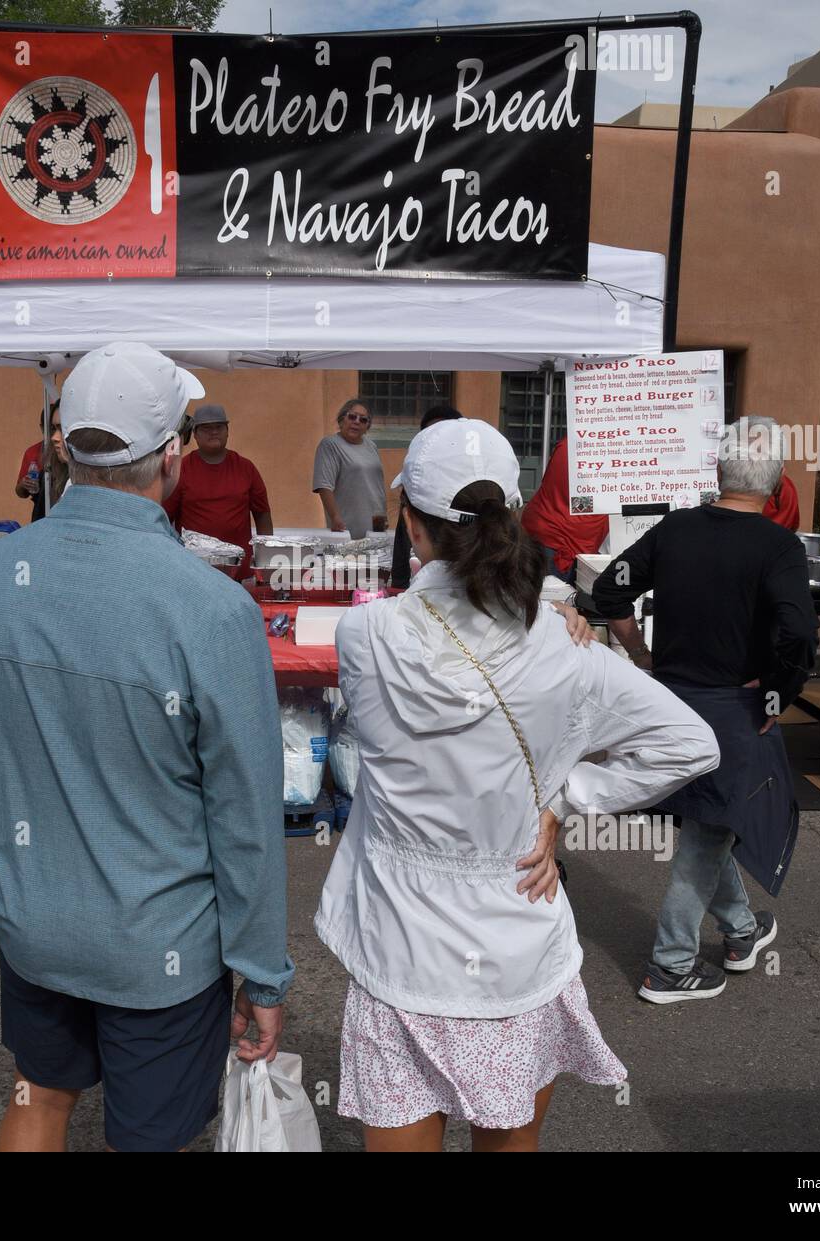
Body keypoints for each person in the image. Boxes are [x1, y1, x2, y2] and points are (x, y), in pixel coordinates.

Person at [0, 341, 294, 1153]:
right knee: (149, 1137)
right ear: (171, 458)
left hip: (34, 920)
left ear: (64, 447)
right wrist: (262, 970)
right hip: (159, 942)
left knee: (40, 1097)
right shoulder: (211, 610)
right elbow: (247, 817)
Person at [314, 418, 719, 1152]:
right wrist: (568, 798)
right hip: (516, 942)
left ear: (411, 522)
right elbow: (691, 743)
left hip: (400, 944)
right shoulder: (563, 644)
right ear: (511, 514)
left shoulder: (364, 639)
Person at [592, 416, 819, 1003]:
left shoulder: (675, 529)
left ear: (717, 471)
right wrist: (778, 691)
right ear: (776, 484)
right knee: (706, 834)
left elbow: (610, 591)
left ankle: (742, 933)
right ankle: (669, 966)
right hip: (733, 708)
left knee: (709, 824)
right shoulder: (779, 545)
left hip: (668, 701)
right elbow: (799, 631)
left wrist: (641, 656)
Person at [162, 403, 272, 576]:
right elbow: (165, 519)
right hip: (194, 568)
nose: (213, 432)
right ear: (195, 434)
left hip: (239, 571)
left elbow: (263, 514)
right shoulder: (181, 469)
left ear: (227, 431)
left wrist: (266, 559)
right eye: (206, 428)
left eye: (219, 427)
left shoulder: (245, 468)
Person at [390, 404, 462, 589]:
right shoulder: (416, 478)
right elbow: (403, 536)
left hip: (470, 582)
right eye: (432, 433)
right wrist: (399, 583)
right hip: (427, 583)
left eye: (445, 432)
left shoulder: (476, 479)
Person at [520, 437, 610, 584]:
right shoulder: (588, 449)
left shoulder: (570, 443)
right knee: (549, 603)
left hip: (551, 532)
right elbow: (577, 503)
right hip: (559, 543)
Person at [312, 398, 388, 538]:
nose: (357, 421)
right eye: (352, 416)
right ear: (342, 420)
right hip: (347, 529)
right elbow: (324, 486)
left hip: (376, 527)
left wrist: (383, 515)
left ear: (367, 427)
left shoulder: (371, 447)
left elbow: (377, 486)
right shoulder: (330, 445)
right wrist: (335, 517)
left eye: (363, 420)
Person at [15, 400, 66, 521]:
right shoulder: (32, 452)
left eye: (59, 428)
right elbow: (20, 492)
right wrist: (24, 484)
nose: (54, 436)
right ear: (42, 428)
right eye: (50, 429)